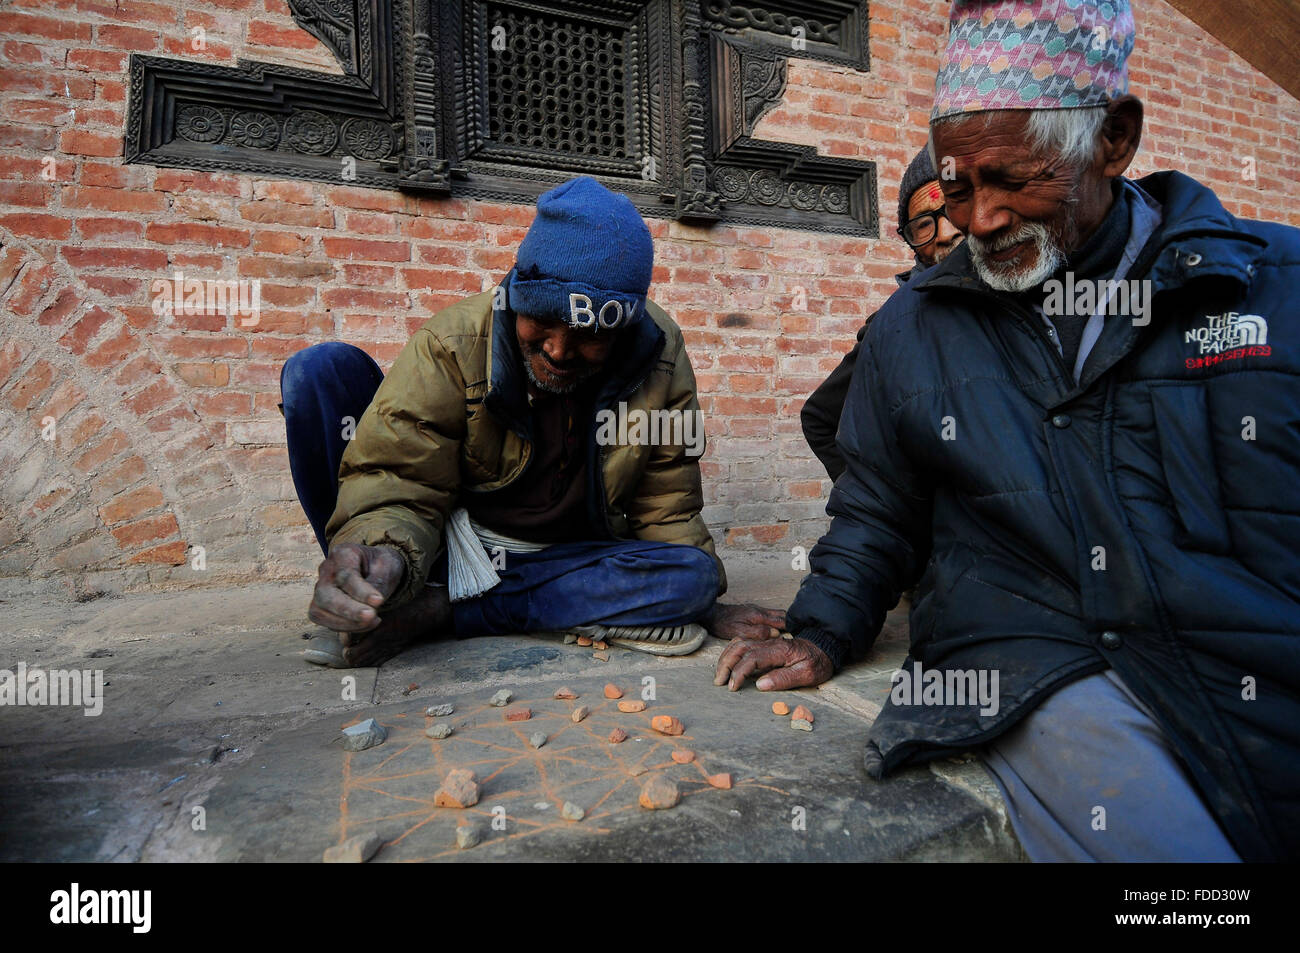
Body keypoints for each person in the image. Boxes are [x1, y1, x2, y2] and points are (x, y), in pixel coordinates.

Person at [716, 0, 1300, 862]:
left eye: (1013, 180)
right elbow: (878, 502)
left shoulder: (1269, 288)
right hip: (1045, 664)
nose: (977, 220)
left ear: (1113, 139)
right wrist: (826, 625)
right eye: (956, 186)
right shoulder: (912, 327)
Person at [281, 176, 784, 668]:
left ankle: (441, 612)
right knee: (320, 372)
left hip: (561, 560)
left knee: (690, 578)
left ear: (623, 330)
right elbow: (399, 478)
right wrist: (383, 554)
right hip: (451, 548)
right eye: (541, 323)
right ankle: (382, 597)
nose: (559, 351)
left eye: (589, 335)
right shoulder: (454, 342)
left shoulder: (660, 354)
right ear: (519, 295)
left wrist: (701, 603)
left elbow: (665, 499)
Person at [801, 147, 964, 480]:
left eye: (956, 208)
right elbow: (820, 418)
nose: (946, 233)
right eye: (923, 225)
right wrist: (876, 500)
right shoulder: (895, 324)